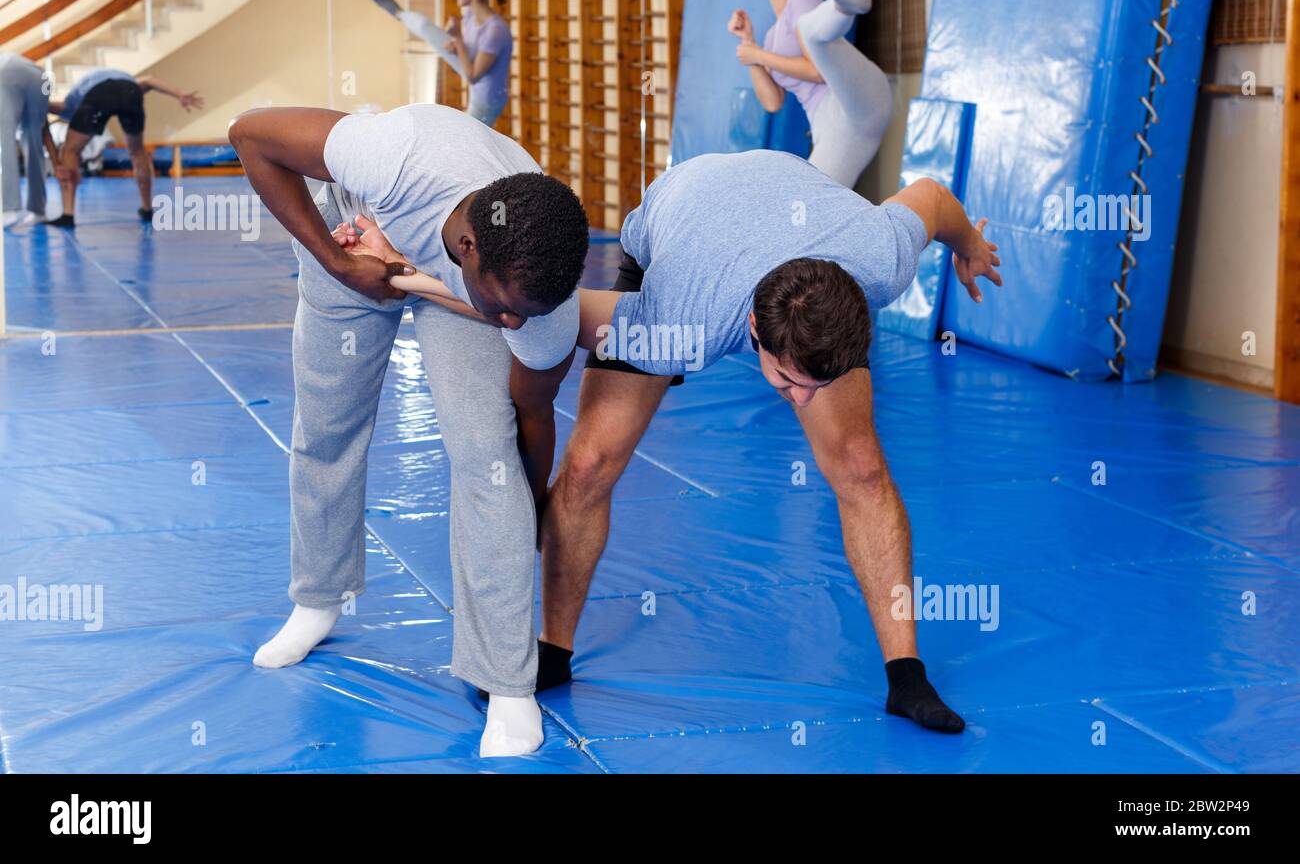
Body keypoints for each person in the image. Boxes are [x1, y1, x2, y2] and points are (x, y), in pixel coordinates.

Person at [335, 147, 1002, 733]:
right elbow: (551, 313)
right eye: (786, 381)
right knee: (592, 463)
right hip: (678, 221)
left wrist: (969, 243)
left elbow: (934, 199)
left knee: (860, 467)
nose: (800, 401)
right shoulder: (677, 319)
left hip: (799, 211)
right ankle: (554, 649)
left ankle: (906, 675)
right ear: (748, 330)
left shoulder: (880, 258)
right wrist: (408, 273)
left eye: (810, 386)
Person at [227, 102, 588, 757]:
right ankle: (318, 597)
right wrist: (342, 266)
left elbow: (530, 426)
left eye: (523, 318)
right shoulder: (393, 155)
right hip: (356, 230)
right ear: (471, 251)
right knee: (327, 429)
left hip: (445, 278)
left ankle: (507, 682)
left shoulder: (542, 305)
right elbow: (250, 136)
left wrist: (523, 509)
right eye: (505, 311)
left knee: (488, 455)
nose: (513, 326)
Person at [729, 0, 892, 189]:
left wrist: (759, 54)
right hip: (835, 130)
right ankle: (844, 7)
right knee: (814, 202)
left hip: (852, 97)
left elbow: (817, 71)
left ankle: (845, 6)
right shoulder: (771, 37)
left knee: (810, 31)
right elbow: (773, 102)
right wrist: (749, 46)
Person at [47, 68, 203, 226]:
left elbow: (62, 108)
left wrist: (41, 104)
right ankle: (147, 208)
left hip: (100, 94)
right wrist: (179, 94)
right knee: (137, 151)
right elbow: (150, 80)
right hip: (131, 92)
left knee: (70, 150)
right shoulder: (127, 79)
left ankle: (68, 214)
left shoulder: (77, 92)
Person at [377, 0, 512, 128]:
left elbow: (472, 75)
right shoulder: (469, 13)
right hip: (477, 83)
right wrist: (452, 40)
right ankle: (401, 14)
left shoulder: (495, 31)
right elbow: (467, 49)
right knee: (428, 30)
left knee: (465, 137)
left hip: (488, 100)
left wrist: (458, 41)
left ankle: (401, 15)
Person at [0, 52, 60, 228]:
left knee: (5, 139)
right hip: (42, 79)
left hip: (6, 74)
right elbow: (44, 130)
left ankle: (9, 210)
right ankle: (38, 210)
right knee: (33, 139)